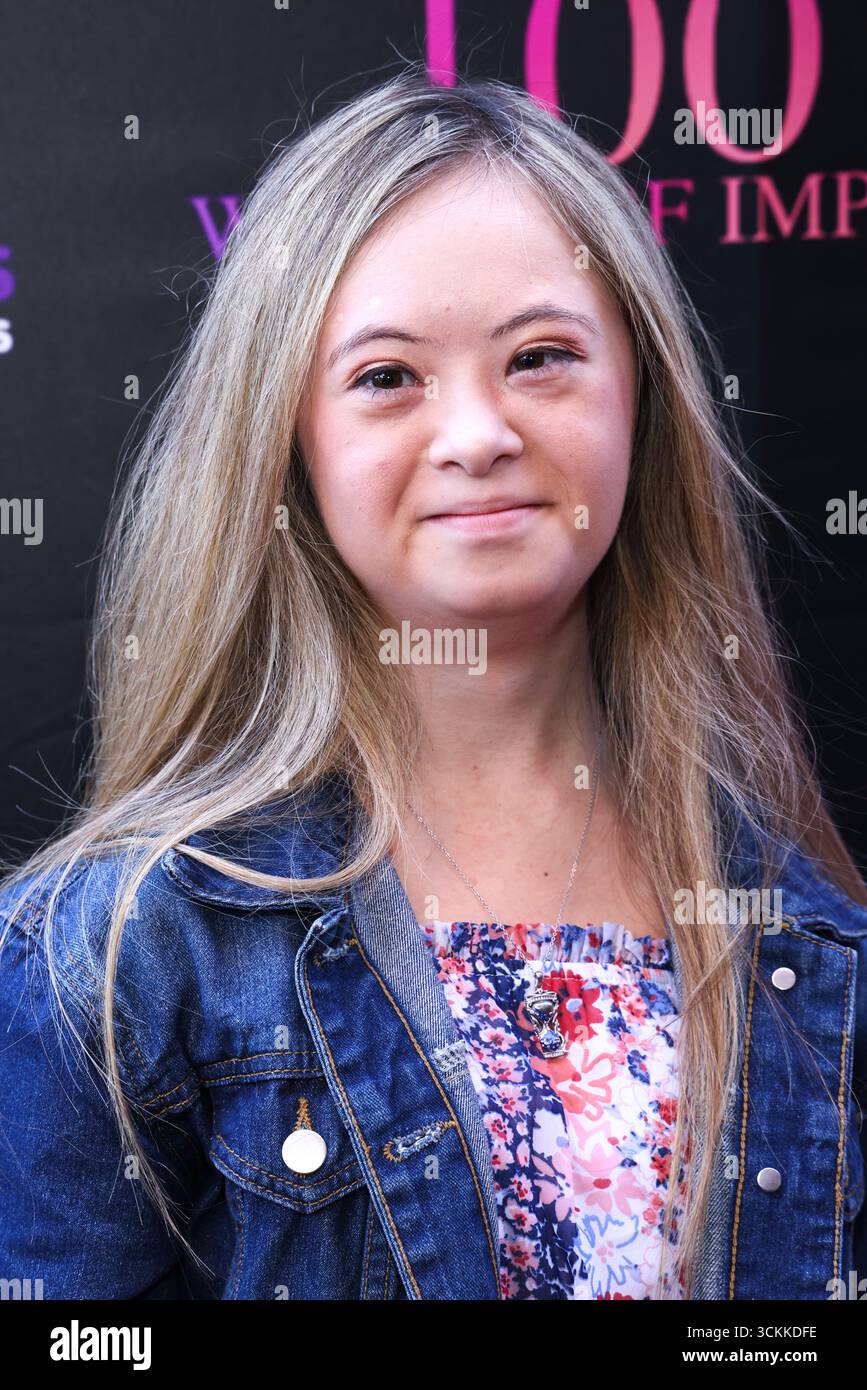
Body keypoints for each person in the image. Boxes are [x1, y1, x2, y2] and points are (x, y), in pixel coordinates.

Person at [0, 67, 864, 1302]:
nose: (478, 433)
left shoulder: (809, 946)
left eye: (542, 356)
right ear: (285, 443)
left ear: (645, 403)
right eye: (387, 376)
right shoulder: (109, 957)